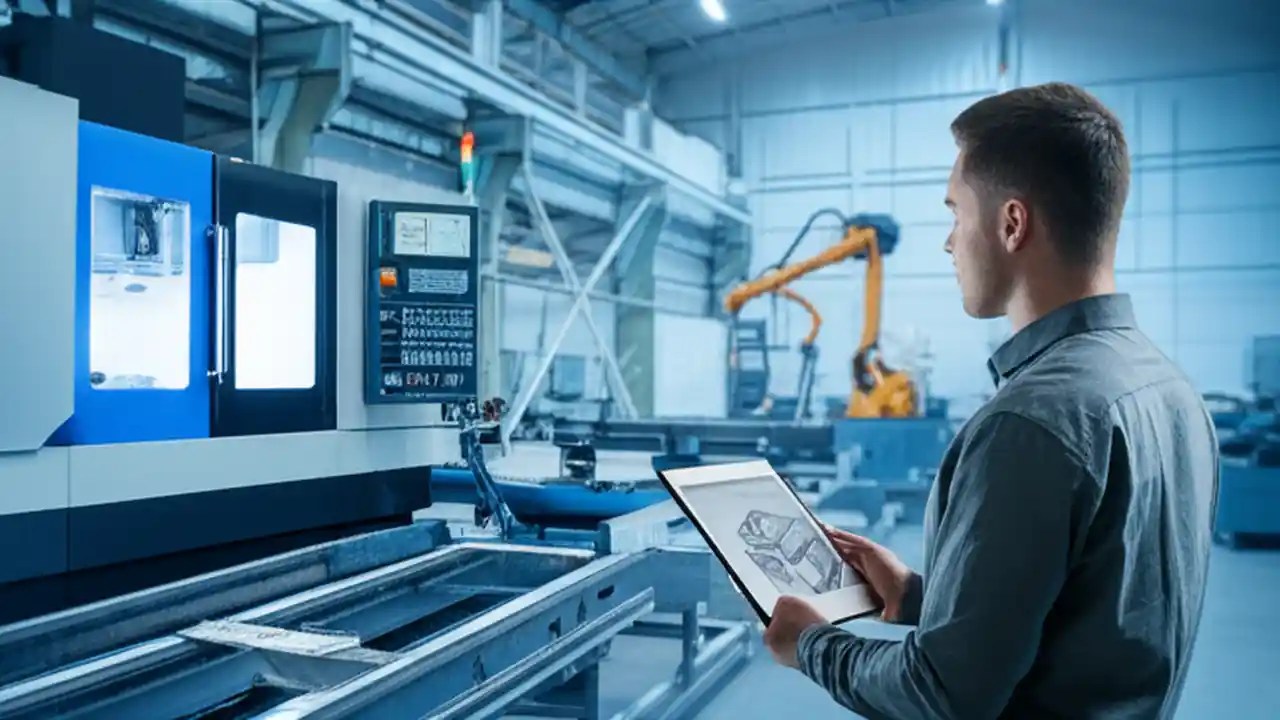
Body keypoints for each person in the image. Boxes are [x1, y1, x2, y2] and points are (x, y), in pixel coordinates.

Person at [762, 82, 1220, 719]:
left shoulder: (1029, 423)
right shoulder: (1173, 391)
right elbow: (1090, 625)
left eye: (955, 212)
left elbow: (943, 696)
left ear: (1011, 223)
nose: (950, 243)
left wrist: (810, 644)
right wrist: (923, 599)